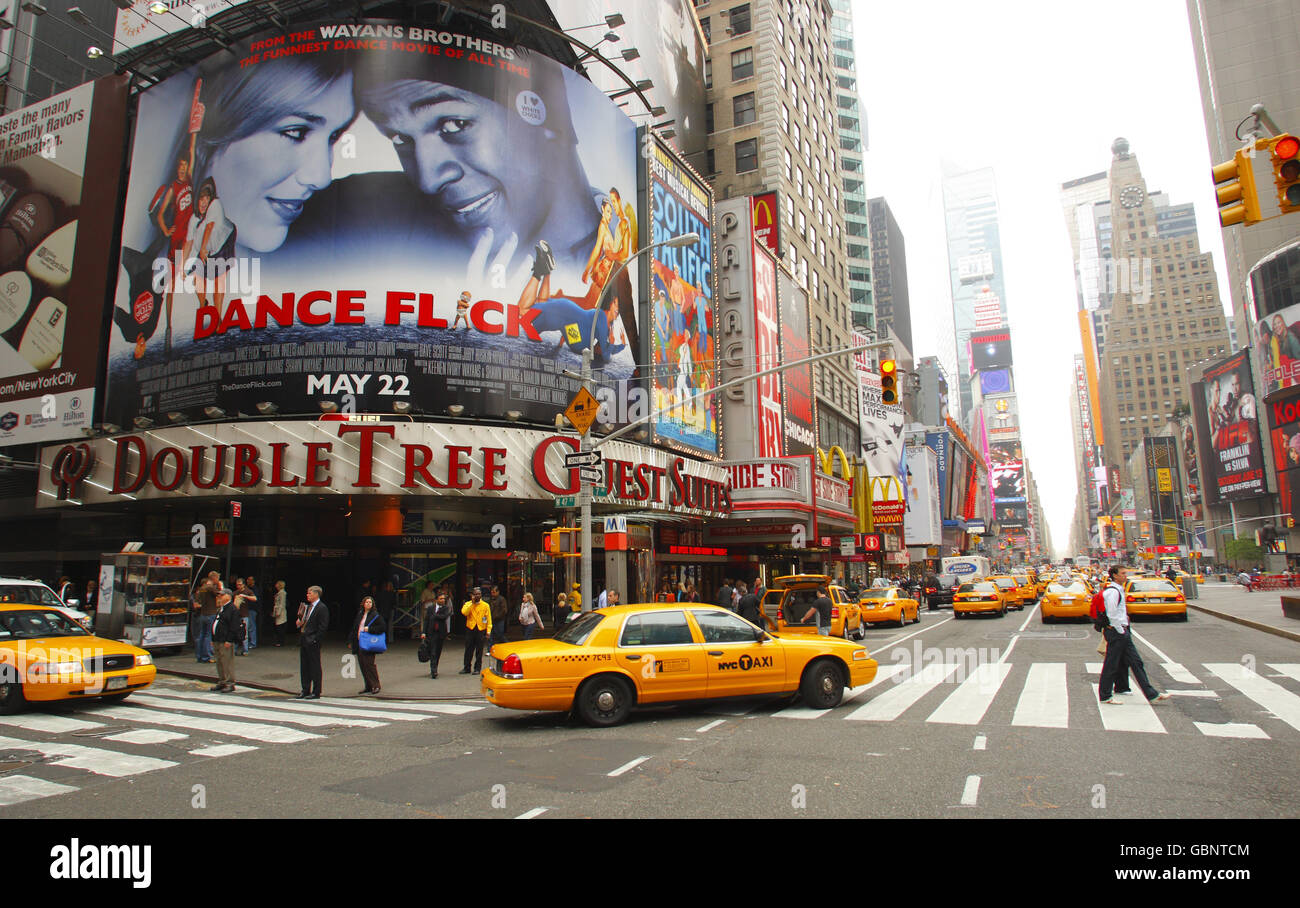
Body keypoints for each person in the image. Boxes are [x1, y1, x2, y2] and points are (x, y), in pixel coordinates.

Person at [1098, 566, 1170, 705]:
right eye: (1123, 573)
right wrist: (1120, 630)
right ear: (1114, 575)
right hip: (1117, 632)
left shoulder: (1118, 589)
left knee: (1136, 662)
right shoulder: (1112, 592)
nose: (1126, 576)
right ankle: (1105, 695)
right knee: (1111, 664)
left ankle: (1151, 694)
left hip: (1122, 631)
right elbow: (1112, 614)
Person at [296, 585, 328, 700]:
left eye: (309, 593)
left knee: (314, 666)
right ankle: (305, 689)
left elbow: (323, 627)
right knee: (304, 666)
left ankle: (316, 691)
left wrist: (315, 639)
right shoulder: (307, 607)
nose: (307, 595)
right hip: (304, 639)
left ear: (316, 594)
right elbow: (305, 622)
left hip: (313, 641)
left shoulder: (322, 608)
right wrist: (300, 622)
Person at [350, 595, 386, 695]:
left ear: (373, 604)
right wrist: (351, 641)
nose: (368, 604)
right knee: (362, 665)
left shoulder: (375, 615)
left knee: (369, 665)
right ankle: (368, 686)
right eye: (366, 602)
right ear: (363, 604)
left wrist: (369, 629)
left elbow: (382, 627)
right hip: (359, 643)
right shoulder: (360, 614)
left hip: (369, 643)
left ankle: (376, 685)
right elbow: (354, 628)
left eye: (370, 602)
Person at [210, 591, 239, 693]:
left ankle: (230, 683)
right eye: (219, 595)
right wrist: (213, 638)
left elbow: (234, 626)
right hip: (218, 639)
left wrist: (229, 640)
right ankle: (222, 681)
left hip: (225, 640)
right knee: (219, 661)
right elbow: (216, 623)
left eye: (222, 595)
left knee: (227, 662)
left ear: (228, 596)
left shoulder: (232, 609)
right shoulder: (221, 608)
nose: (219, 597)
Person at [460, 587, 492, 674]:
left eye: (479, 594)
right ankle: (466, 667)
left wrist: (488, 631)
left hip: (480, 629)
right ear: (472, 595)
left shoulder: (485, 605)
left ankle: (477, 668)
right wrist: (472, 604)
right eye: (475, 594)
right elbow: (464, 612)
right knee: (468, 649)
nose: (477, 596)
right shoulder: (468, 604)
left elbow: (488, 619)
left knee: (479, 650)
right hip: (470, 628)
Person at [421, 592, 453, 678]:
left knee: (438, 651)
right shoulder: (430, 608)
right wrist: (423, 632)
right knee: (433, 651)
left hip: (441, 633)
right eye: (441, 599)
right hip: (432, 633)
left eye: (444, 599)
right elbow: (426, 620)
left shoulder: (446, 608)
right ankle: (433, 671)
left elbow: (444, 616)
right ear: (436, 600)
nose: (443, 600)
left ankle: (435, 666)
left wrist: (435, 616)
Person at [191, 571, 219, 663]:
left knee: (201, 635)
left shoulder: (202, 588)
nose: (218, 580)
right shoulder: (211, 587)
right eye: (217, 578)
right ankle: (207, 656)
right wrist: (220, 585)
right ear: (214, 578)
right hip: (210, 613)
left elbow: (198, 602)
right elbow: (219, 593)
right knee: (208, 635)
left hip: (203, 614)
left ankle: (199, 656)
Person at [271, 580, 288, 647]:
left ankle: (281, 642)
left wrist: (278, 612)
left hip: (280, 612)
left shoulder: (282, 593)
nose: (276, 585)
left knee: (280, 627)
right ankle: (279, 641)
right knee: (278, 627)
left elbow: (282, 603)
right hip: (277, 611)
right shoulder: (279, 593)